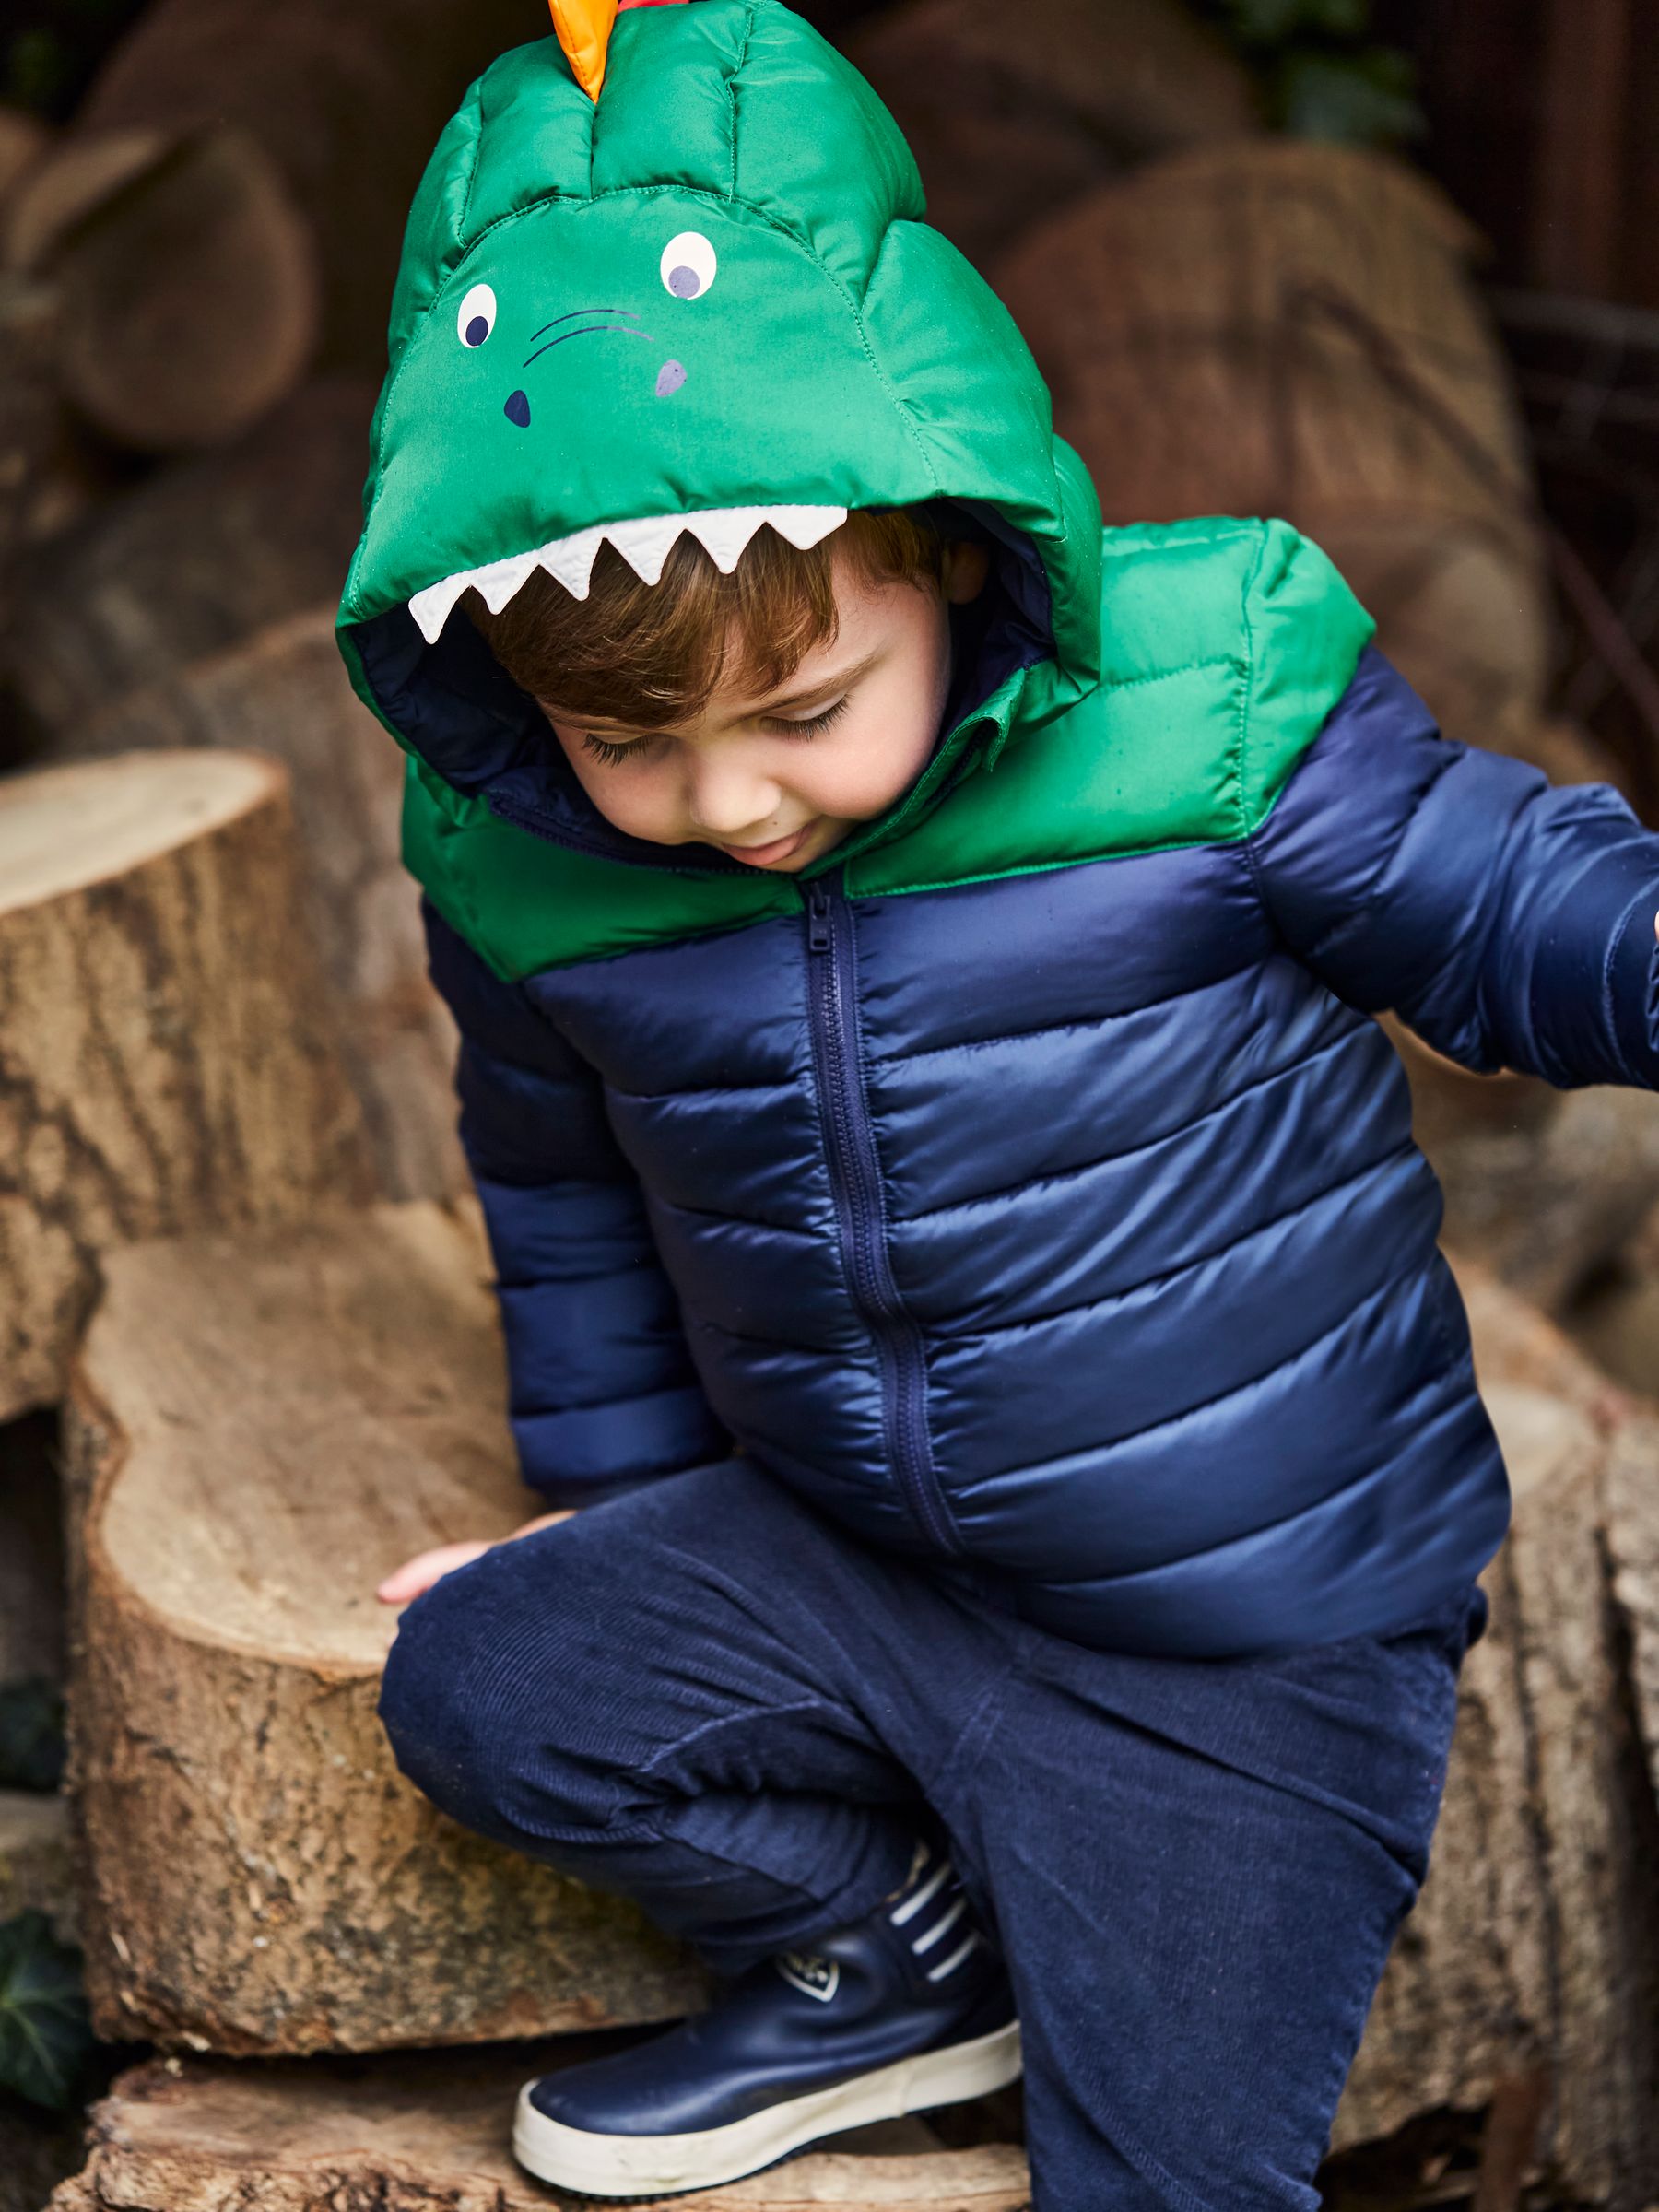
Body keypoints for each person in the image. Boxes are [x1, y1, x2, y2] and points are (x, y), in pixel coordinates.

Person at [335, 2, 1659, 2203]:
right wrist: (610, 1501)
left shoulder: (1205, 712)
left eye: (804, 710)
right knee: (486, 1679)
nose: (728, 803)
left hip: (1238, 1630)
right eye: (627, 749)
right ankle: (887, 1953)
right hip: (851, 1549)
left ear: (947, 542)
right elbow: (564, 1189)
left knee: (1162, 2178)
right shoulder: (527, 870)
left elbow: (1515, 907)